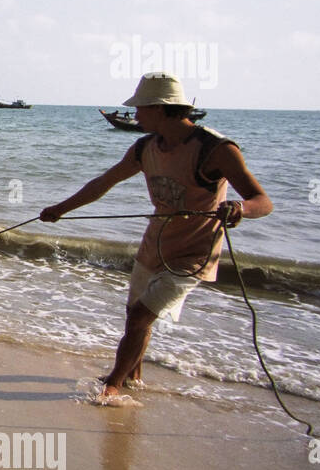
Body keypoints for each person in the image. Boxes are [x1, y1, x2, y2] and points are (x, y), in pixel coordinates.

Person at [39, 72, 272, 405]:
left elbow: (263, 201)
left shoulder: (216, 149)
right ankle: (133, 377)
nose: (135, 116)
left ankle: (112, 387)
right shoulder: (145, 147)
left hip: (194, 254)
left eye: (141, 109)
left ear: (161, 109)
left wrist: (239, 209)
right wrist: (61, 209)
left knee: (139, 316)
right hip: (155, 245)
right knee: (136, 314)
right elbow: (104, 182)